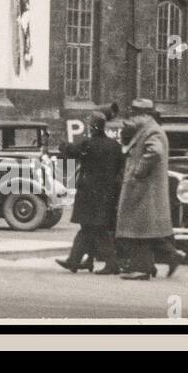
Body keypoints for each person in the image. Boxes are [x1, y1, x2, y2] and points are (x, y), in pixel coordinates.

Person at [115, 98, 185, 279]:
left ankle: (142, 269)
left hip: (145, 188)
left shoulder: (152, 131)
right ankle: (172, 256)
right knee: (147, 229)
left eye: (135, 115)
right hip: (145, 189)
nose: (133, 119)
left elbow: (155, 151)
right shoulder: (147, 129)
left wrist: (138, 171)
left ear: (145, 115)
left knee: (140, 229)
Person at [55, 110, 122, 274]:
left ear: (92, 127)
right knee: (93, 228)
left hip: (89, 194)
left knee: (92, 228)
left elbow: (72, 151)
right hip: (108, 194)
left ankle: (108, 263)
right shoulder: (115, 145)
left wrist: (62, 144)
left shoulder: (89, 144)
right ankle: (83, 261)